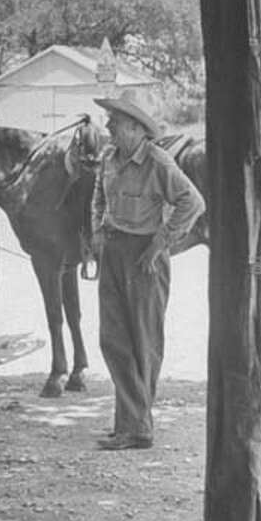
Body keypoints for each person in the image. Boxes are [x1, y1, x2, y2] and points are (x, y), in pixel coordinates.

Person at [90, 90, 204, 451]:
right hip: (113, 252)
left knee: (144, 343)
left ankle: (136, 427)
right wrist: (97, 231)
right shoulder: (109, 158)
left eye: (115, 121)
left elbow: (193, 202)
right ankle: (132, 424)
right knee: (113, 340)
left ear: (137, 128)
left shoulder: (158, 162)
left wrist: (161, 242)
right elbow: (98, 197)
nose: (108, 127)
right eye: (110, 120)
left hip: (144, 259)